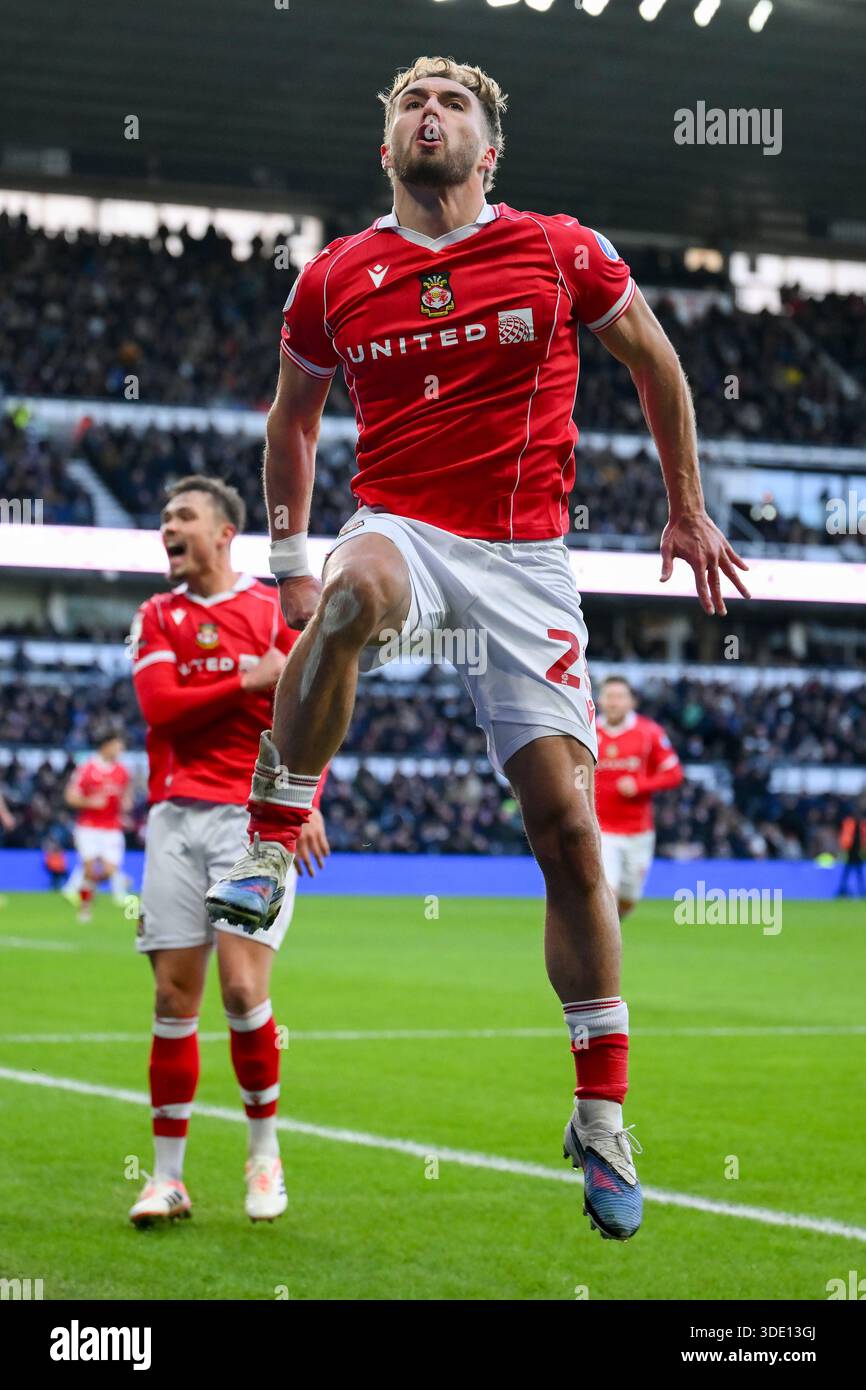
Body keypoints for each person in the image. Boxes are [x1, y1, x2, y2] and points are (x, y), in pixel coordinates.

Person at [206, 56, 750, 1242]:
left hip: (524, 560)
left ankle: (599, 1115)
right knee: (354, 596)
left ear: (486, 149)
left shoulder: (560, 249)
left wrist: (685, 504)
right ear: (386, 144)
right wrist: (292, 559)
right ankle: (265, 837)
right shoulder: (336, 277)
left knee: (566, 831)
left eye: (451, 104)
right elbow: (291, 418)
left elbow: (654, 359)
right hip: (398, 524)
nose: (429, 115)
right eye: (410, 103)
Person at [127, 476, 329, 1227]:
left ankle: (264, 1152)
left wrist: (303, 799)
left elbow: (311, 706)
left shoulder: (272, 610)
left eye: (182, 516)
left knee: (243, 993)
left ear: (223, 532)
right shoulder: (157, 615)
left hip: (253, 823)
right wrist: (246, 678)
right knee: (173, 999)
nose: (167, 527)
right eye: (163, 517)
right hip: (174, 822)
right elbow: (159, 709)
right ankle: (167, 1179)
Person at [595, 677, 683, 919]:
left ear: (631, 701)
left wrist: (640, 784)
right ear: (600, 700)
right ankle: (601, 950)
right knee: (606, 894)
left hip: (638, 831)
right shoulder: (588, 732)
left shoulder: (649, 733)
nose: (613, 702)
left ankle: (610, 933)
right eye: (608, 696)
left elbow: (674, 774)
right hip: (601, 830)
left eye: (619, 696)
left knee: (628, 900)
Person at [62, 729, 131, 922]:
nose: (120, 749)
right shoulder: (87, 769)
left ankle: (76, 889)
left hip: (112, 827)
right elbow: (70, 797)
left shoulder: (122, 772)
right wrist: (89, 802)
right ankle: (84, 908)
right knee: (90, 869)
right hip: (88, 826)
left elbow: (125, 796)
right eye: (118, 745)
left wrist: (125, 808)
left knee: (109, 871)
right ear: (106, 746)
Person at [836, 799, 866, 898]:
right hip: (850, 852)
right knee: (848, 873)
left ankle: (862, 892)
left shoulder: (862, 824)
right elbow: (845, 837)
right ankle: (842, 890)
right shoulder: (849, 823)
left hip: (858, 852)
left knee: (858, 873)